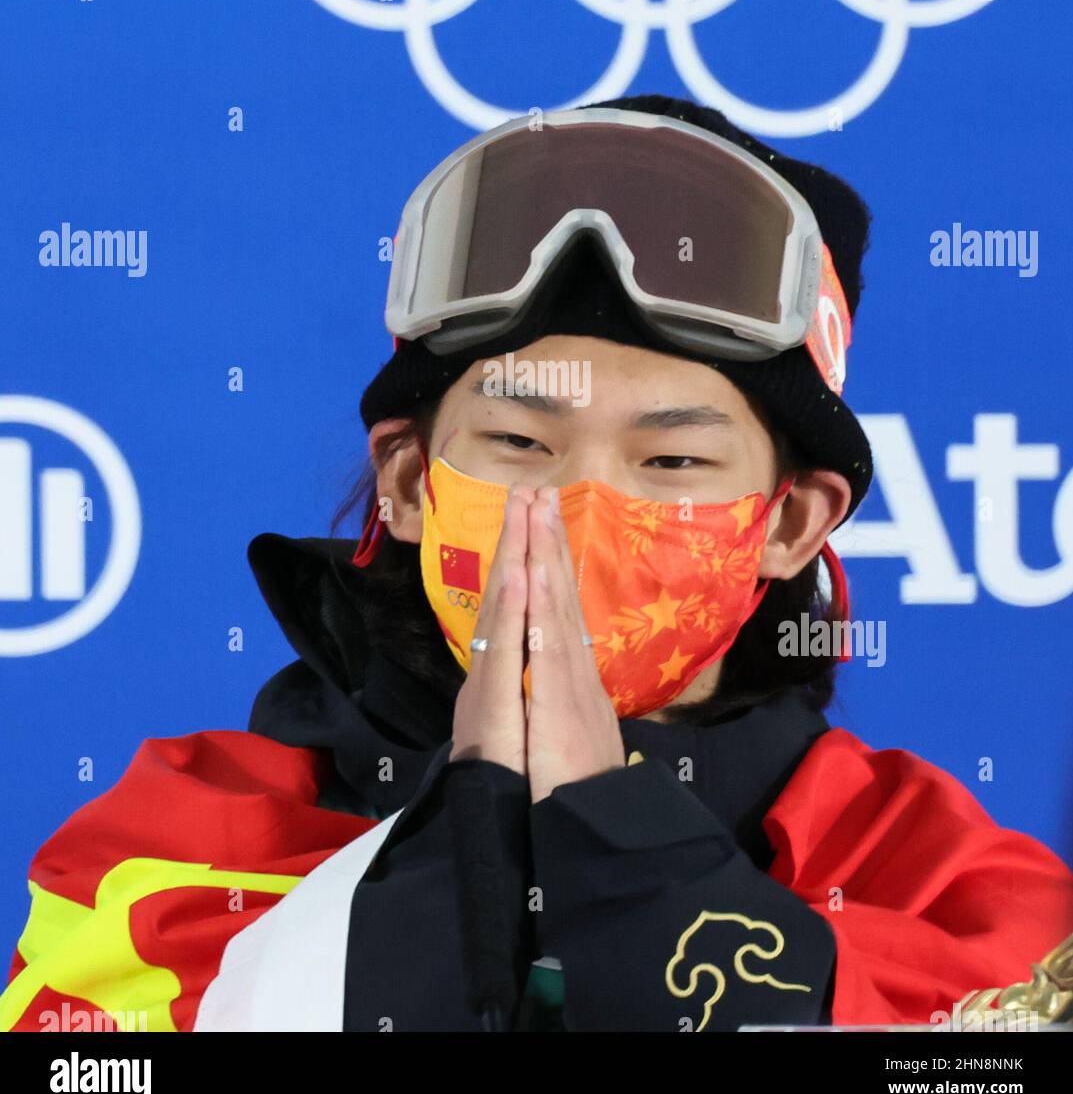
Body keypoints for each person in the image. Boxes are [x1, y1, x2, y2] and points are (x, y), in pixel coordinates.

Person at [3, 95, 1071, 1034]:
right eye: (519, 443)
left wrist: (625, 858)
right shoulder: (172, 839)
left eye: (672, 458)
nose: (572, 516)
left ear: (788, 526)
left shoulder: (935, 874)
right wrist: (459, 848)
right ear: (412, 487)